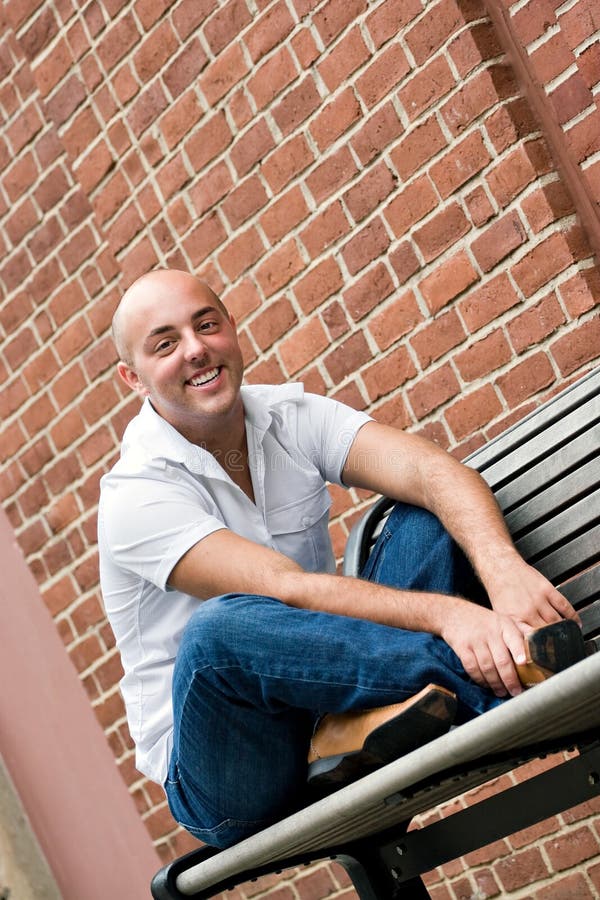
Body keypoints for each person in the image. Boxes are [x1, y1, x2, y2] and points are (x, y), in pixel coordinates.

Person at [98, 269, 580, 849]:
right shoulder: (135, 494)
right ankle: (501, 671)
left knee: (419, 515)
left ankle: (368, 718)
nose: (197, 349)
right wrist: (457, 619)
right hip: (229, 768)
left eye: (206, 325)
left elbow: (431, 471)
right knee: (216, 634)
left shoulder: (288, 416)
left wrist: (503, 573)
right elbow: (286, 590)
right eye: (165, 343)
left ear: (231, 326)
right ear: (134, 377)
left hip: (334, 691)